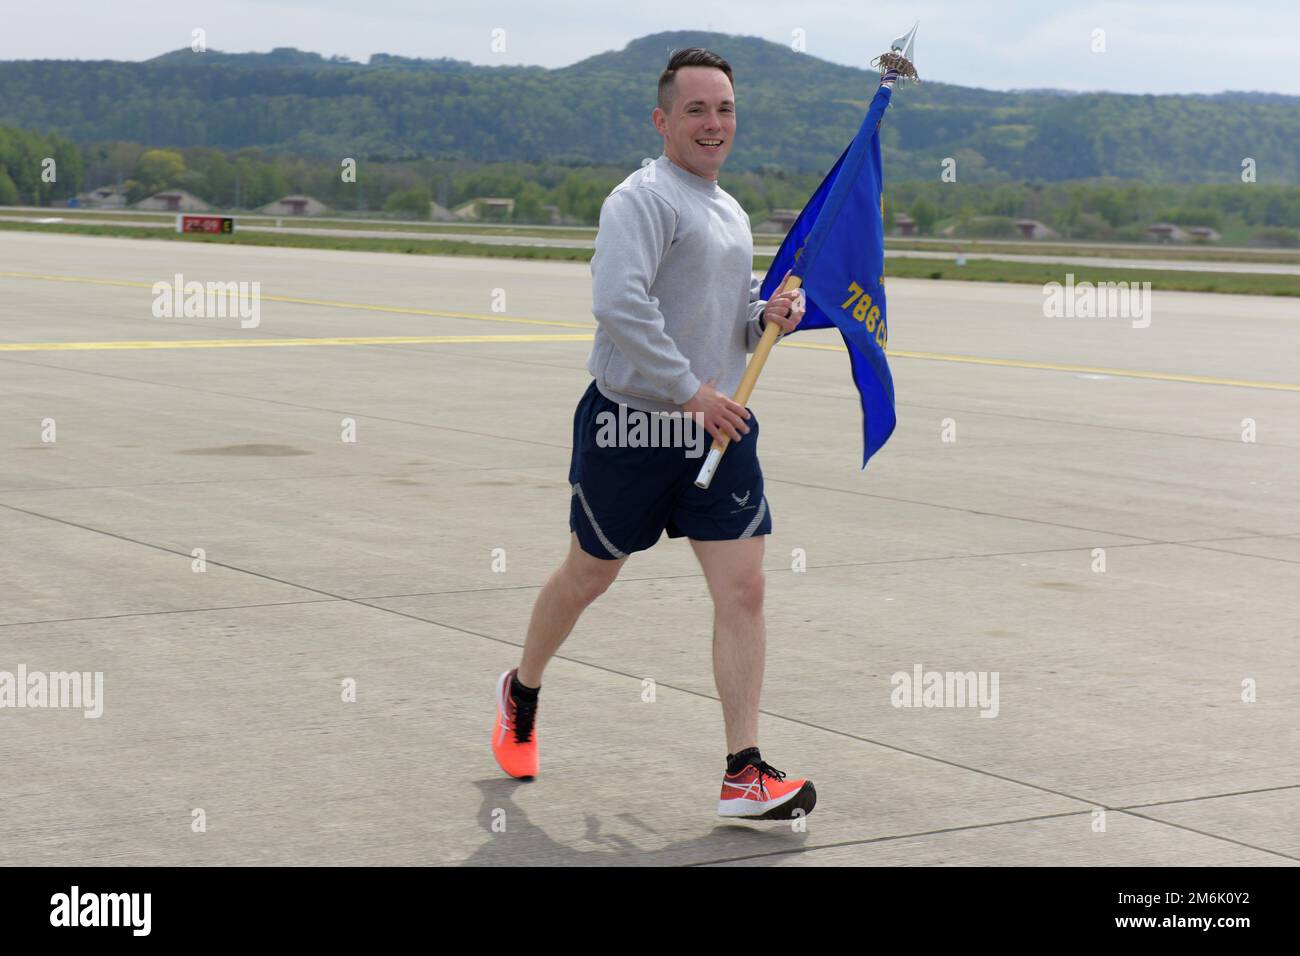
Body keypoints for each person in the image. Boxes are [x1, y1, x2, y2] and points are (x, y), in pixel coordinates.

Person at [491, 47, 820, 820]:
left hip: (718, 426)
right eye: (696, 109)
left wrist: (765, 316)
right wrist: (688, 392)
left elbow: (722, 314)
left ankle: (743, 772)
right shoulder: (640, 200)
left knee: (744, 588)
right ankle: (523, 689)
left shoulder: (727, 208)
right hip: (631, 426)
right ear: (662, 119)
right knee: (589, 575)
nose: (714, 123)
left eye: (725, 109)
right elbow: (620, 304)